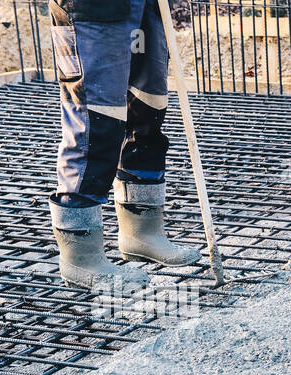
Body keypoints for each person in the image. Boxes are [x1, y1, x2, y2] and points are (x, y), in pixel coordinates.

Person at [49, 0, 200, 290]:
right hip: (90, 9)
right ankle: (80, 256)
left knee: (147, 108)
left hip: (143, 5)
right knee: (96, 121)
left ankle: (141, 232)